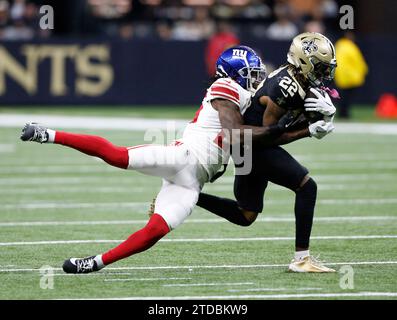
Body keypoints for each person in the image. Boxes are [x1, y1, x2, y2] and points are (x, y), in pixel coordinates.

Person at [20, 45, 300, 274]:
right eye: (251, 74)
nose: (255, 79)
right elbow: (234, 131)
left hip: (193, 183)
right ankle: (48, 134)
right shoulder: (226, 87)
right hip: (182, 157)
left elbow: (263, 128)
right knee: (117, 156)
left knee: (156, 230)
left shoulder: (247, 96)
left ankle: (96, 262)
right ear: (233, 74)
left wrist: (305, 124)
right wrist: (279, 127)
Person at [195, 32, 337, 272]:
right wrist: (309, 130)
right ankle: (302, 259)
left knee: (246, 214)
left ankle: (189, 195)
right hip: (251, 146)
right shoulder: (286, 87)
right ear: (304, 63)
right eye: (321, 68)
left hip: (249, 146)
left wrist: (325, 115)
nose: (325, 74)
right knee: (306, 186)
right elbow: (270, 135)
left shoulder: (298, 79)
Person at [334, 31, 368, 119]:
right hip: (349, 77)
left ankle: (344, 113)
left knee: (346, 97)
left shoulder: (342, 46)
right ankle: (343, 113)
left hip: (347, 76)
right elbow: (345, 63)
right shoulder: (346, 46)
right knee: (346, 97)